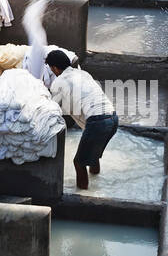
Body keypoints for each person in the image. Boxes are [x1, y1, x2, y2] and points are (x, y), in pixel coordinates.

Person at [45, 49, 119, 190]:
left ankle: (84, 194)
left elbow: (52, 109)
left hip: (97, 121)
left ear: (54, 68)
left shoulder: (58, 82)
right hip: (113, 117)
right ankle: (96, 181)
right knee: (92, 155)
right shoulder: (83, 73)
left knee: (79, 162)